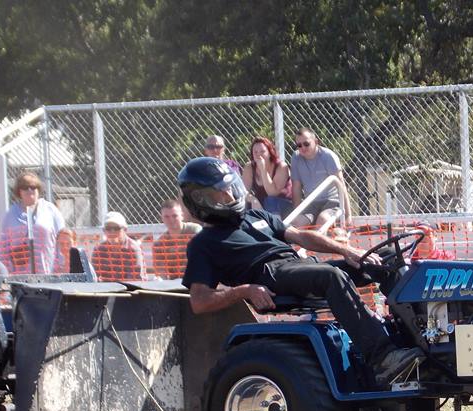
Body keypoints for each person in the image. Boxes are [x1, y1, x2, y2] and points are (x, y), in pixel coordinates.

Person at [177, 157, 423, 385]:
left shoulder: (255, 216)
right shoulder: (203, 244)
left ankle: (418, 337)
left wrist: (346, 250)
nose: (229, 194)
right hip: (270, 275)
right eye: (219, 193)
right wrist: (243, 290)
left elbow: (300, 236)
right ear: (201, 201)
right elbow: (199, 301)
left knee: (386, 257)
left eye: (230, 186)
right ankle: (382, 358)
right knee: (330, 276)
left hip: (300, 266)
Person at [0, 171, 72, 274]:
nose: (29, 190)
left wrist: (62, 266)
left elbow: (63, 239)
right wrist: (7, 274)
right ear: (19, 191)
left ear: (38, 189)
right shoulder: (10, 215)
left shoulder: (50, 210)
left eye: (33, 187)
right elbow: (3, 249)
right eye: (25, 187)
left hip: (49, 272)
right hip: (20, 275)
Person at [290, 128, 351, 230]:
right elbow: (296, 187)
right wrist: (297, 212)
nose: (303, 148)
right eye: (299, 145)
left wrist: (348, 215)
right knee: (296, 223)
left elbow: (341, 185)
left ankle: (316, 245)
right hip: (310, 203)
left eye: (306, 144)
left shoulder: (328, 156)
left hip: (332, 201)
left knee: (322, 220)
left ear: (316, 142)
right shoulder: (296, 158)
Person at [241, 136, 293, 219]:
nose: (259, 155)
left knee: (270, 200)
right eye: (255, 152)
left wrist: (263, 169)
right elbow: (242, 191)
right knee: (243, 204)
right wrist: (253, 199)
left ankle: (274, 229)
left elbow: (272, 193)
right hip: (261, 204)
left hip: (283, 204)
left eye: (262, 152)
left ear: (270, 152)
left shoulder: (281, 166)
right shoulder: (249, 167)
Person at [152, 199, 202, 279]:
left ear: (182, 215)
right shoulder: (159, 244)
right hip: (175, 283)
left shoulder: (194, 231)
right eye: (166, 217)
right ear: (162, 218)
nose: (171, 220)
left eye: (175, 216)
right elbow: (161, 272)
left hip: (198, 276)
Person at [91, 211, 147, 283]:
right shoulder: (98, 250)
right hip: (107, 289)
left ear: (125, 230)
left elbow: (135, 280)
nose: (112, 232)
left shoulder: (133, 249)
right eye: (108, 228)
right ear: (104, 231)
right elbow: (94, 278)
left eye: (116, 228)